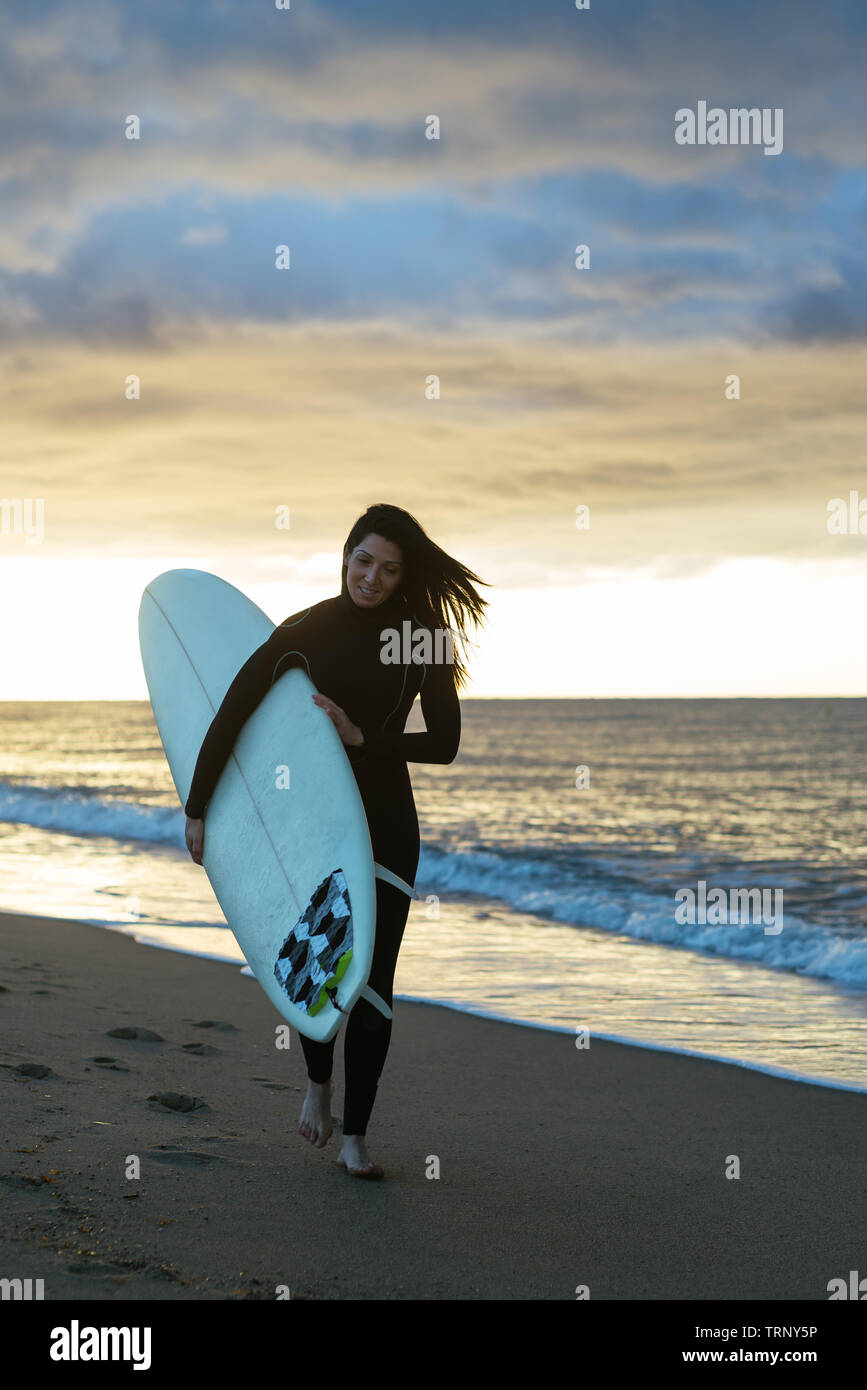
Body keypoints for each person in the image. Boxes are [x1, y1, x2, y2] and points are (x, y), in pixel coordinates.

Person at [183, 503, 490, 1178]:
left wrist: (362, 738)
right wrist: (198, 807)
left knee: (375, 984)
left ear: (403, 575)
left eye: (387, 569)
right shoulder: (306, 631)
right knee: (318, 965)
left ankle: (355, 1138)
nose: (370, 579)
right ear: (344, 554)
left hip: (386, 821)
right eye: (362, 561)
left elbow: (444, 742)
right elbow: (233, 710)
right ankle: (317, 1084)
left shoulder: (422, 638)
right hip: (313, 822)